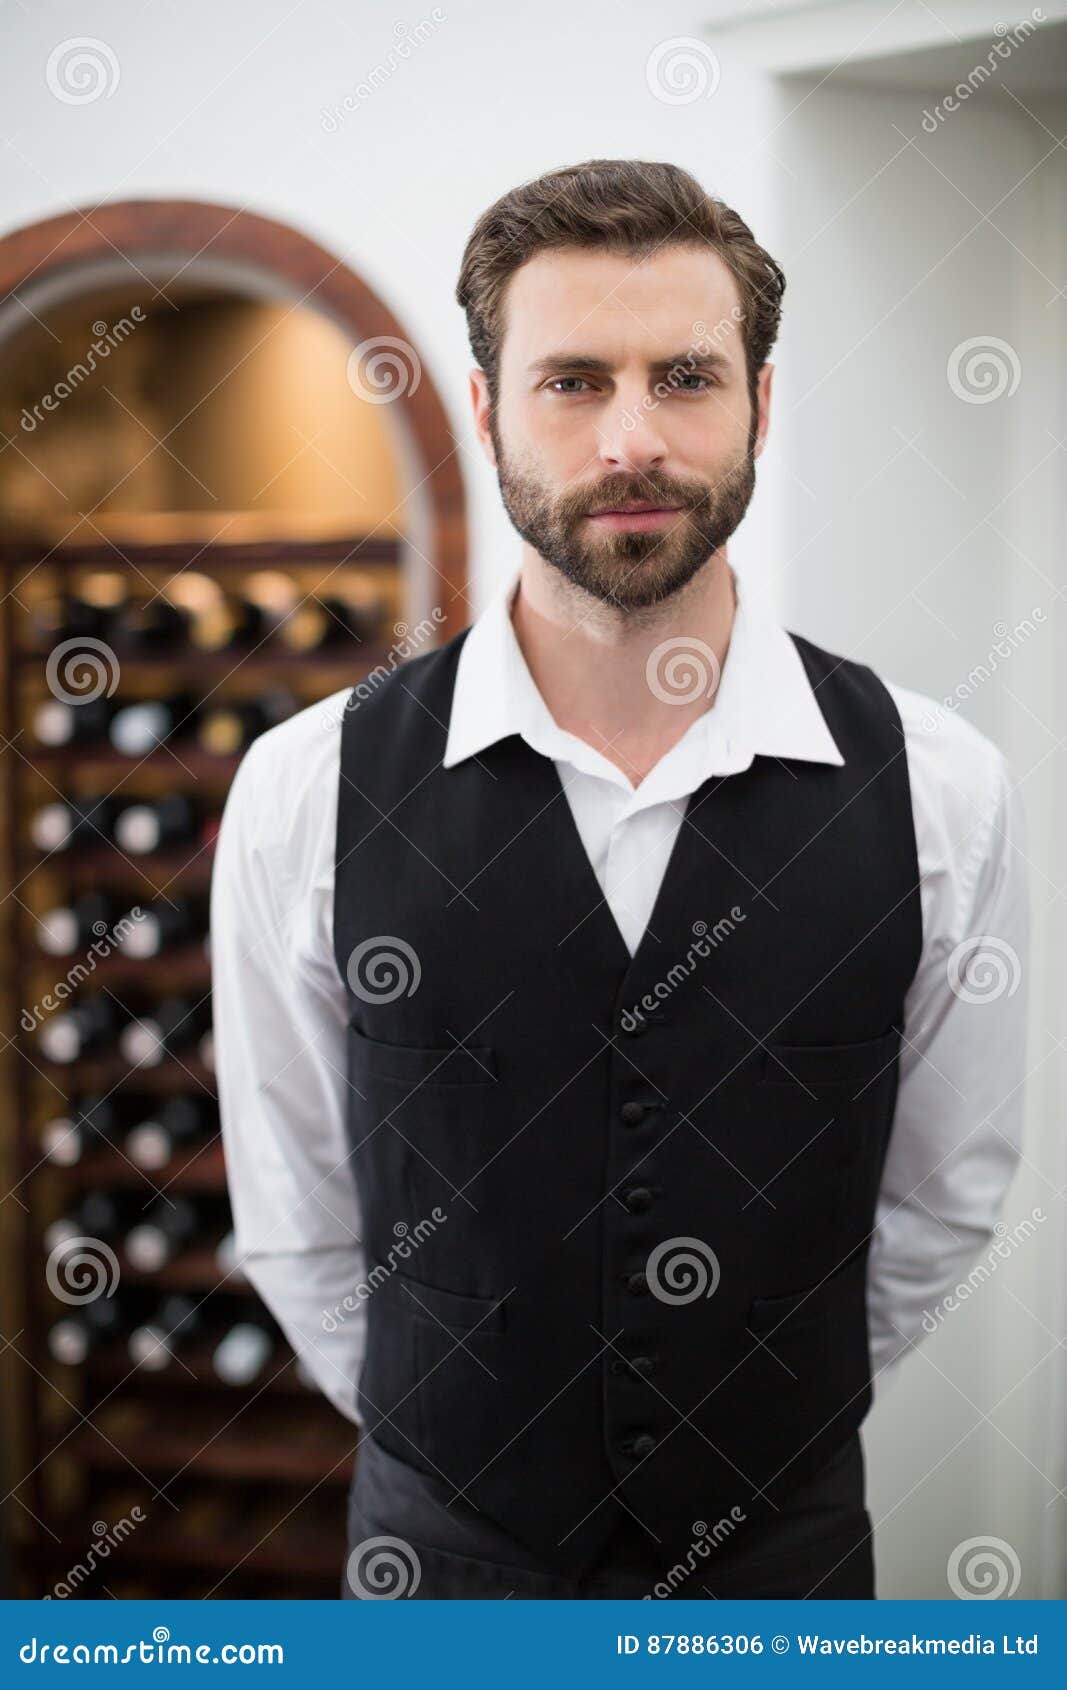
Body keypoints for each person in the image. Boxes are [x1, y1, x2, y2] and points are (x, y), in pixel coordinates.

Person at [210, 159, 1030, 1600]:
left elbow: (943, 1200)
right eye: (574, 381)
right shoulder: (303, 786)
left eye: (689, 378)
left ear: (763, 405)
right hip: (444, 1569)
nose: (633, 439)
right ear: (486, 411)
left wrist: (756, 1425)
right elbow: (296, 1214)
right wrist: (457, 1445)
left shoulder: (941, 782)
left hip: (783, 1566)